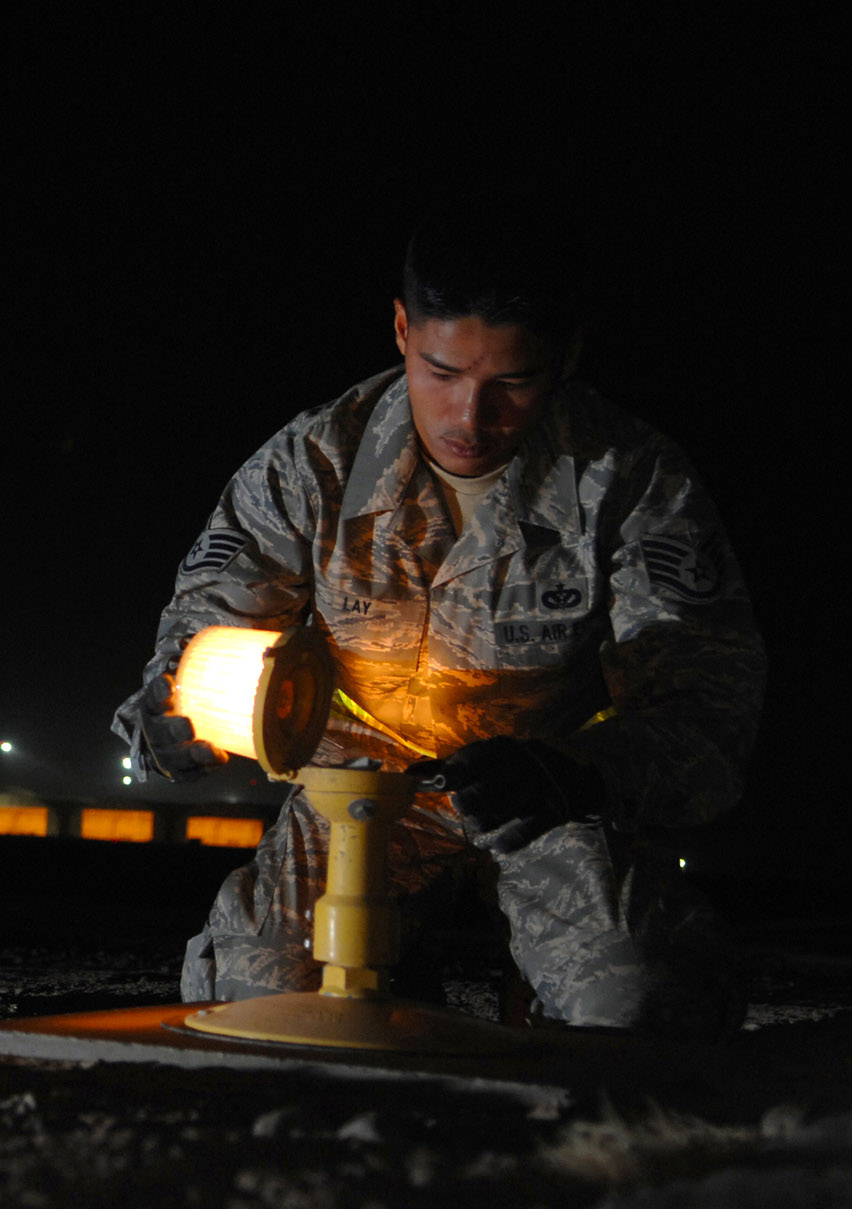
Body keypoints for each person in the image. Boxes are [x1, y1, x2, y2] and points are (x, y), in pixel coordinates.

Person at [111, 198, 765, 1040]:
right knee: (259, 993)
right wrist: (167, 720)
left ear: (568, 356)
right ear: (399, 330)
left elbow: (707, 711)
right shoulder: (312, 464)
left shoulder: (631, 479)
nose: (470, 418)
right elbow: (195, 646)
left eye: (513, 383)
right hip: (358, 793)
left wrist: (579, 771)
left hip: (543, 790)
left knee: (641, 997)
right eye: (442, 372)